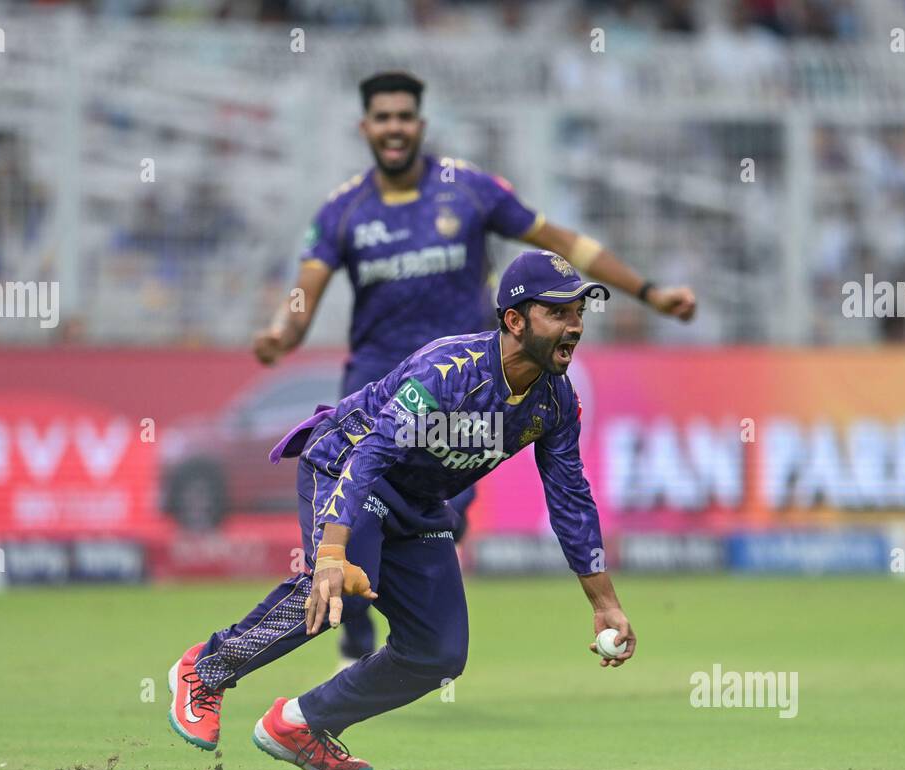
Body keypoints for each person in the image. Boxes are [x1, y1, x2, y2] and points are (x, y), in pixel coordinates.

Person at [253, 70, 694, 669]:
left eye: (405, 116)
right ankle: (352, 632)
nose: (395, 127)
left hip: (473, 390)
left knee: (442, 515)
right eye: (382, 118)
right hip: (379, 384)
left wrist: (648, 291)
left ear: (420, 124)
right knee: (356, 512)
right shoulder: (343, 210)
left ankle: (403, 638)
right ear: (366, 127)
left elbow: (565, 244)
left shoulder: (469, 190)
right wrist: (283, 332)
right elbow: (305, 292)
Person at [169, 251, 636, 770]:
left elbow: (570, 497)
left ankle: (302, 723)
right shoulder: (449, 370)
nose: (574, 327)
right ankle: (205, 671)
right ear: (514, 320)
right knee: (339, 582)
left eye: (579, 314)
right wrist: (330, 552)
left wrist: (604, 604)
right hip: (348, 460)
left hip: (416, 503)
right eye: (559, 313)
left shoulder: (555, 402)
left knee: (438, 652)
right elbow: (372, 453)